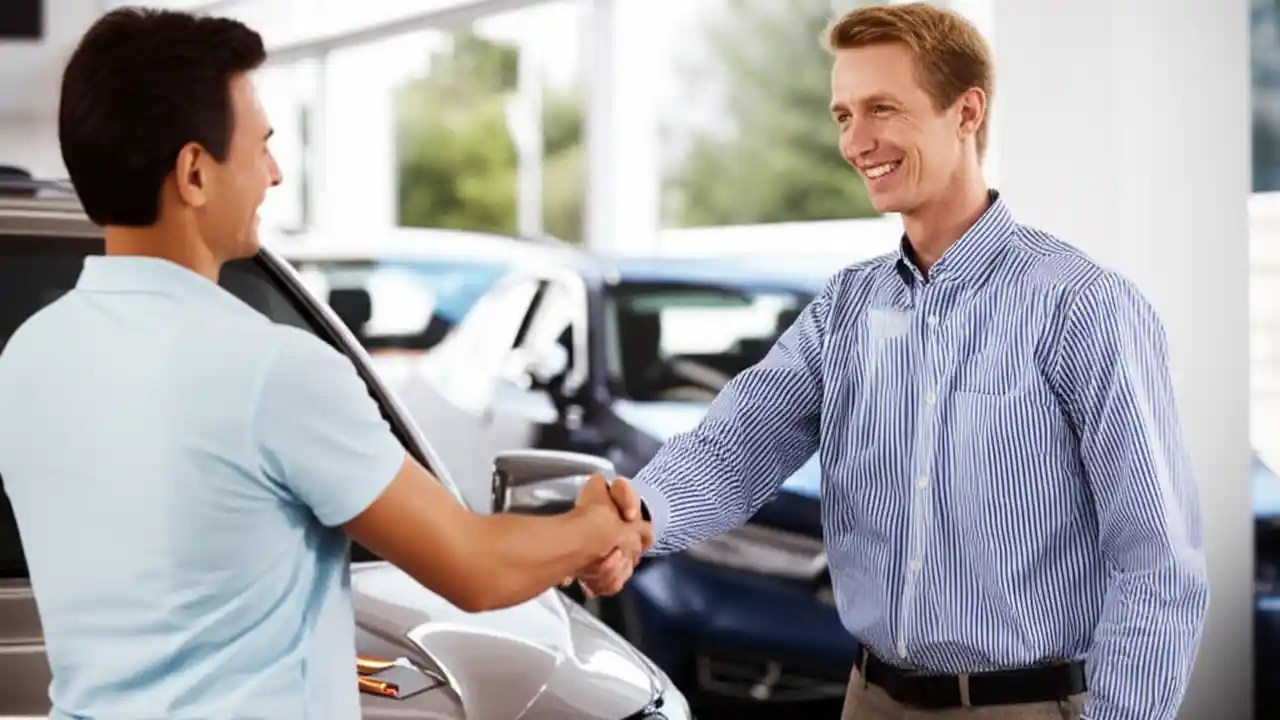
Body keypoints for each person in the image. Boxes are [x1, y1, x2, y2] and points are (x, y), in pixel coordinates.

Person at [0, 8, 650, 719]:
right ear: (193, 172)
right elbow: (477, 570)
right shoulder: (273, 370)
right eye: (261, 148)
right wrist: (598, 527)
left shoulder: (28, 356)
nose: (274, 175)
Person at [573, 3, 1209, 719]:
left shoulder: (1080, 306)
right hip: (871, 699)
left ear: (966, 112)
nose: (857, 140)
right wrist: (640, 516)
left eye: (882, 108)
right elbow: (734, 448)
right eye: (844, 115)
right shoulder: (846, 308)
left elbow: (1158, 565)